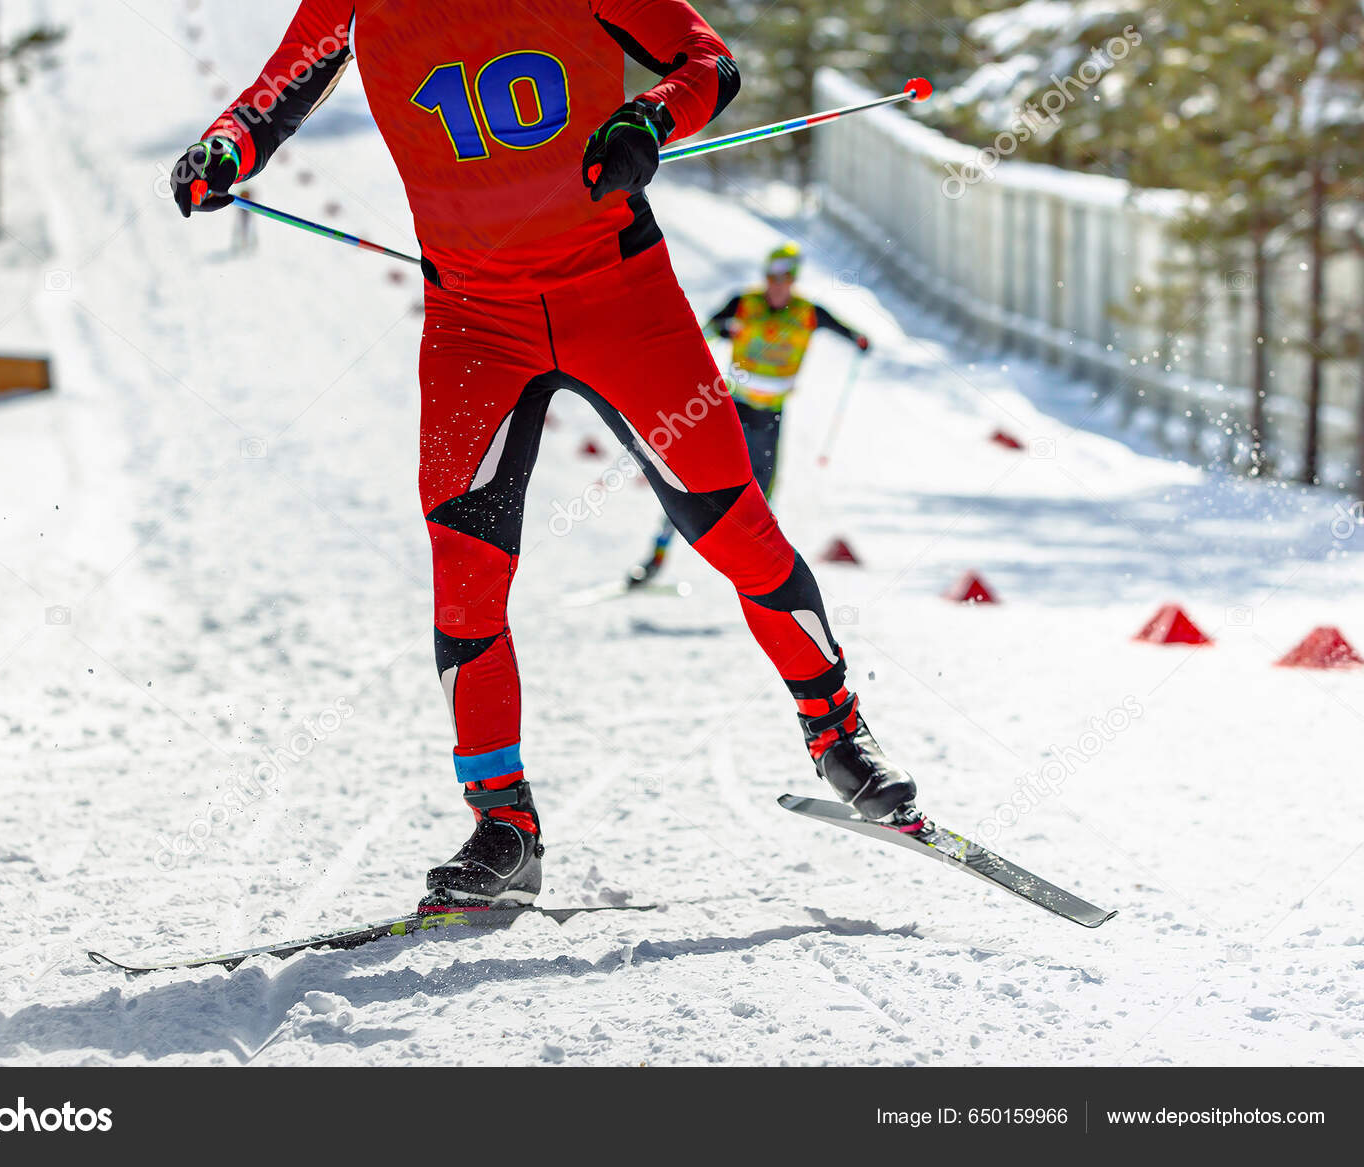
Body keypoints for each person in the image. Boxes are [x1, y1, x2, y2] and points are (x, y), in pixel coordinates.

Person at [171, 0, 920, 912]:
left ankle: (837, 728)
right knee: (465, 573)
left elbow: (709, 64)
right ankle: (504, 824)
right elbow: (274, 95)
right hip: (473, 323)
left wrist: (649, 118)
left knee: (732, 530)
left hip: (619, 295)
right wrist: (225, 150)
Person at [627, 242, 870, 588]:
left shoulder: (806, 312)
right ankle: (656, 557)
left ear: (793, 280)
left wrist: (858, 339)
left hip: (770, 415)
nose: (776, 284)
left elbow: (846, 331)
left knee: (762, 498)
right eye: (772, 276)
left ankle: (762, 576)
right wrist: (726, 328)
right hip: (731, 409)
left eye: (784, 278)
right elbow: (706, 329)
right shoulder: (745, 303)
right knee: (692, 482)